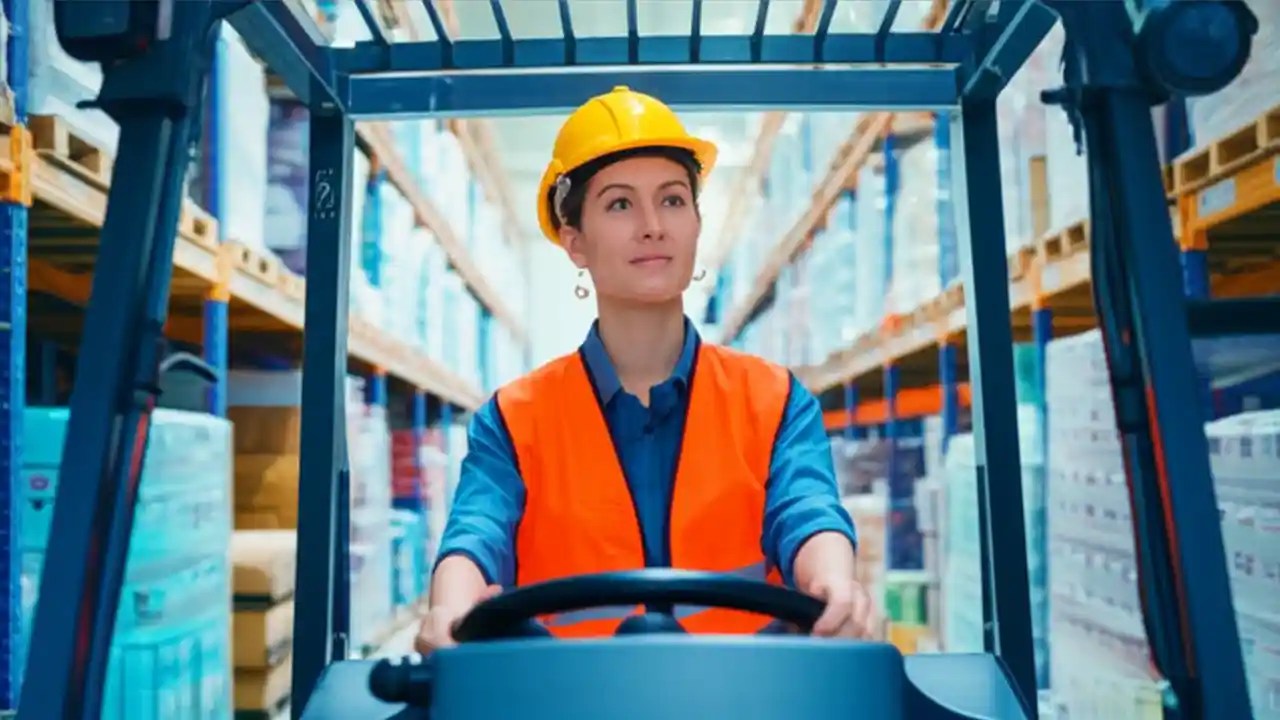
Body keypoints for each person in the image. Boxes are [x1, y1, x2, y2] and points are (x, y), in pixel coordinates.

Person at [416, 85, 871, 652]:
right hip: (567, 693)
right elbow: (476, 534)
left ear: (697, 223)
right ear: (574, 242)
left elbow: (807, 511)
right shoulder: (513, 420)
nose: (653, 225)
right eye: (620, 204)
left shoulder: (774, 400)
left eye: (673, 200)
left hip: (747, 690)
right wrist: (449, 607)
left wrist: (834, 581)